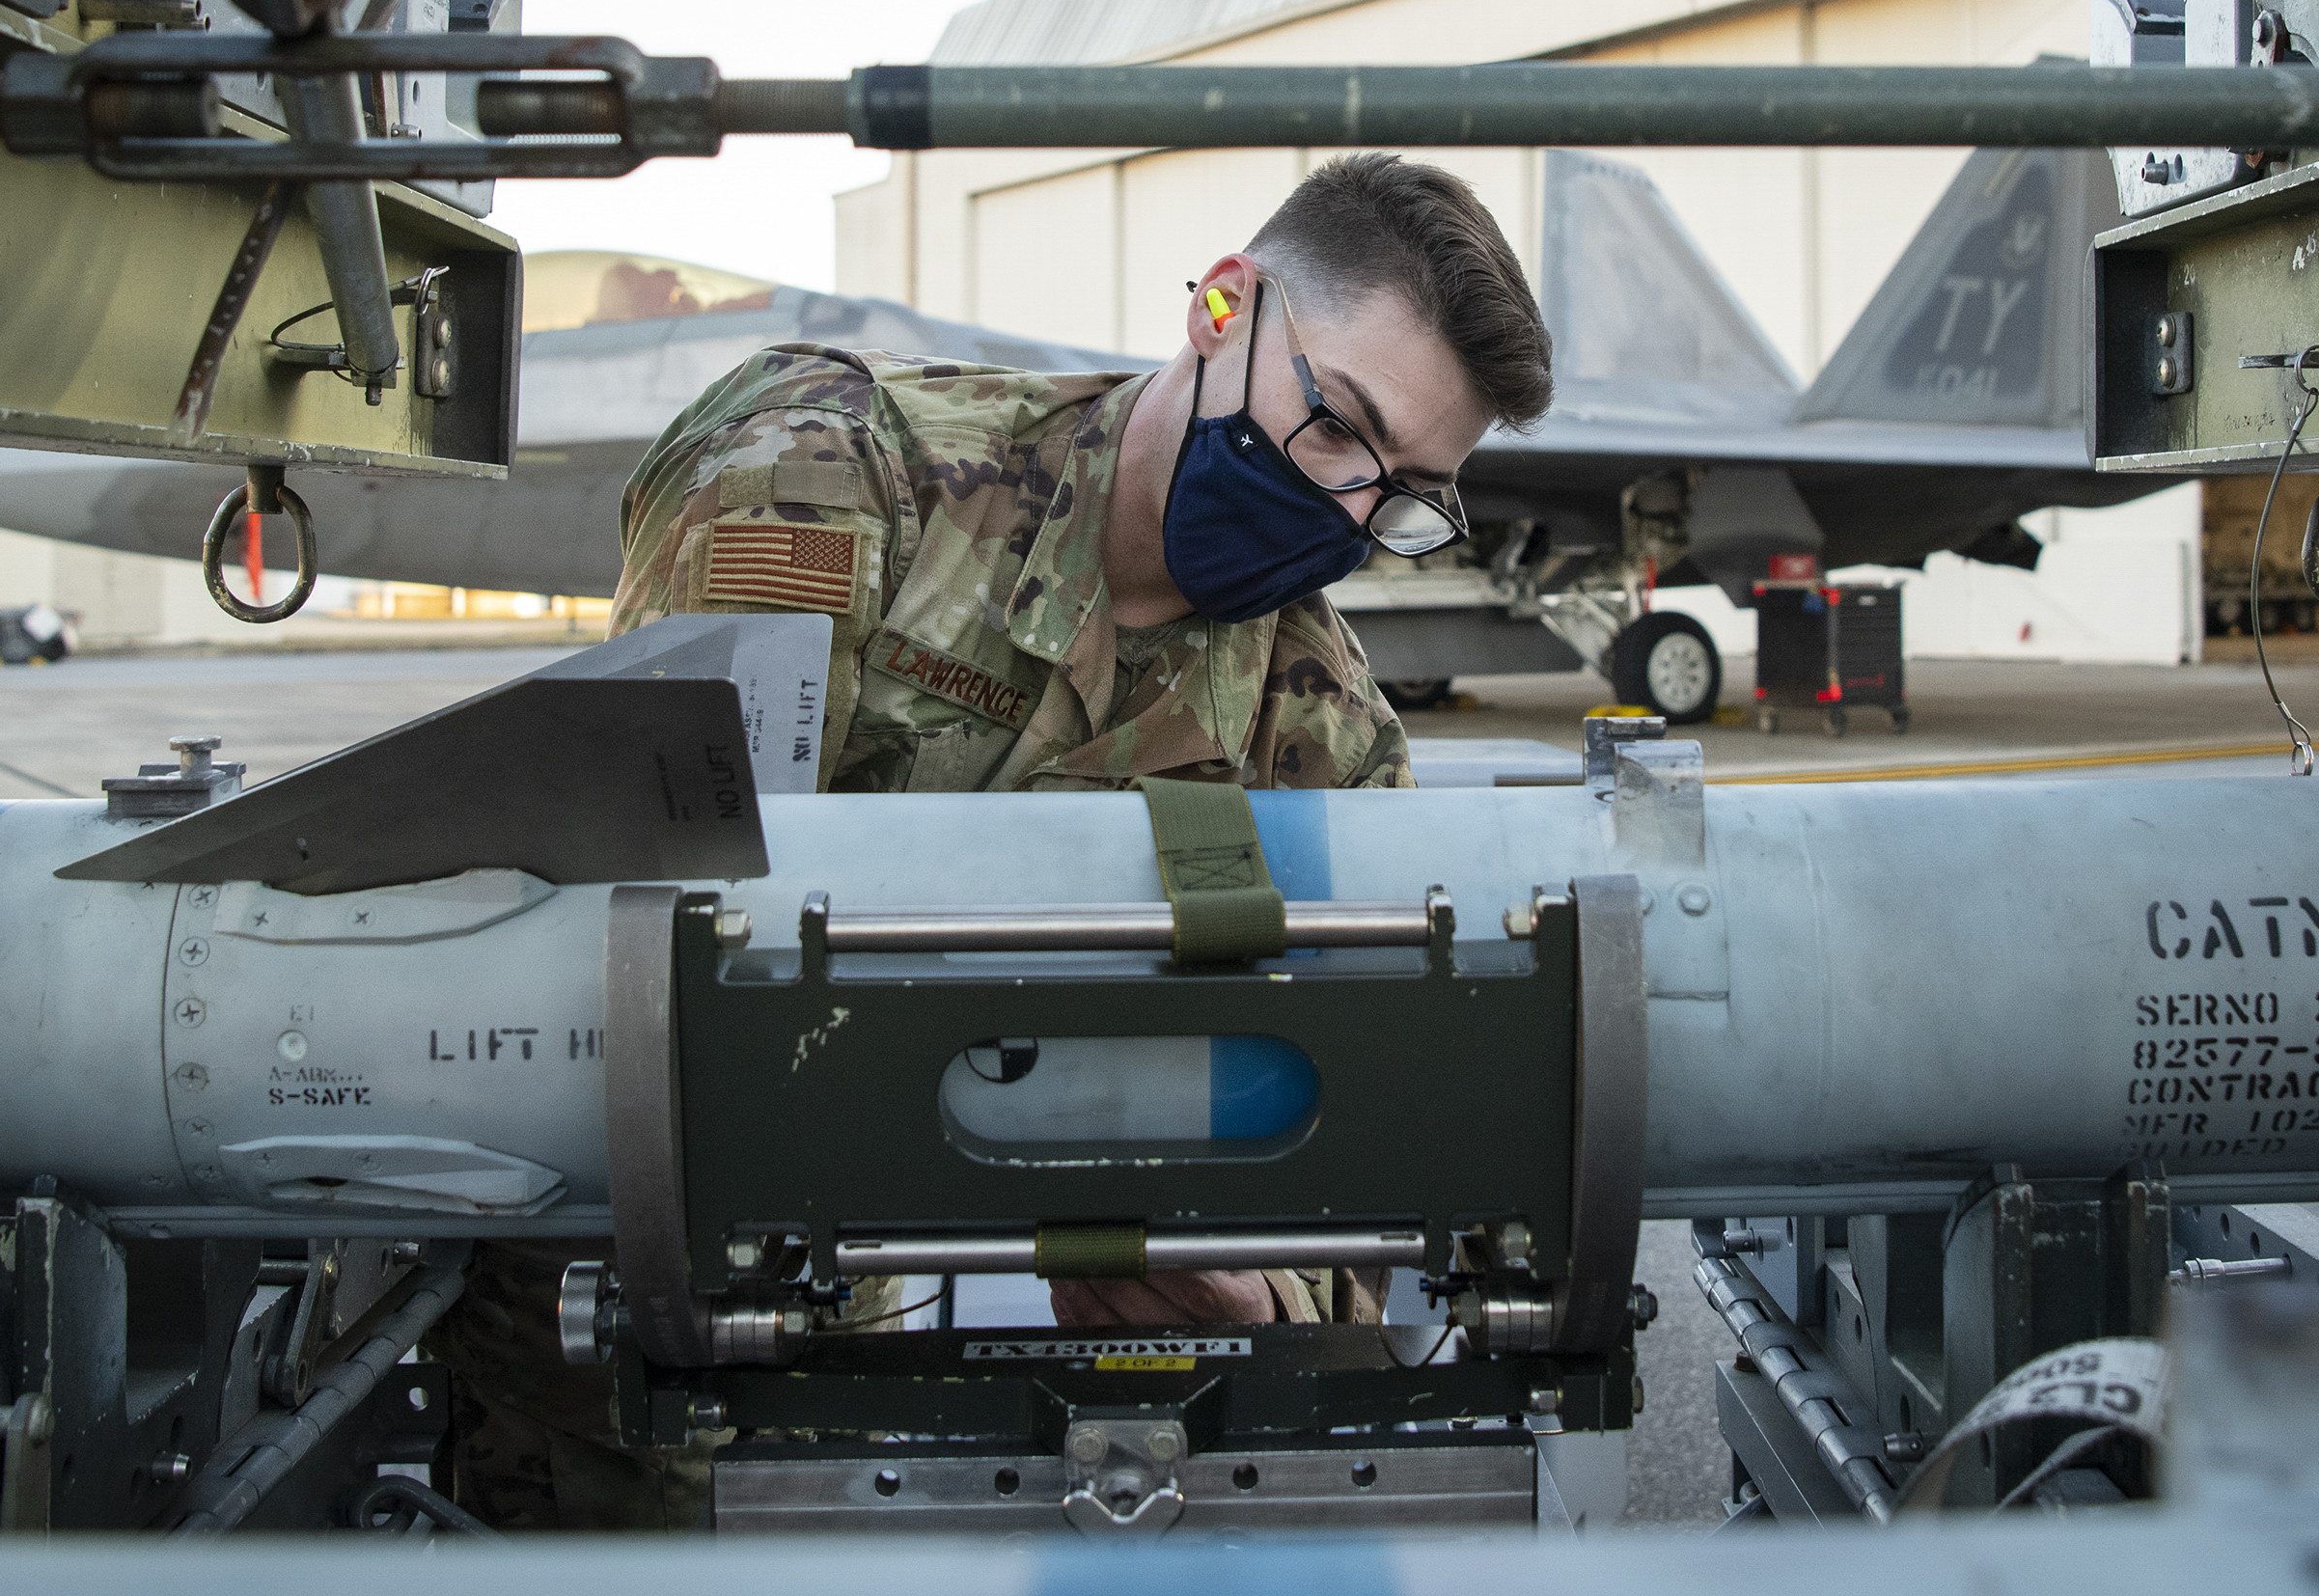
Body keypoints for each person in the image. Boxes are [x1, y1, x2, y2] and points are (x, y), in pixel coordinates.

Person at [430, 150, 1557, 1527]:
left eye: (1405, 495)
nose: (1348, 515)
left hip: (861, 1338)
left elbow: (1366, 1118)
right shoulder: (834, 472)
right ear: (1222, 308)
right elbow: (653, 931)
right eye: (1336, 429)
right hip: (612, 1313)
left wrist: (1265, 1297)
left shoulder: (1318, 726)